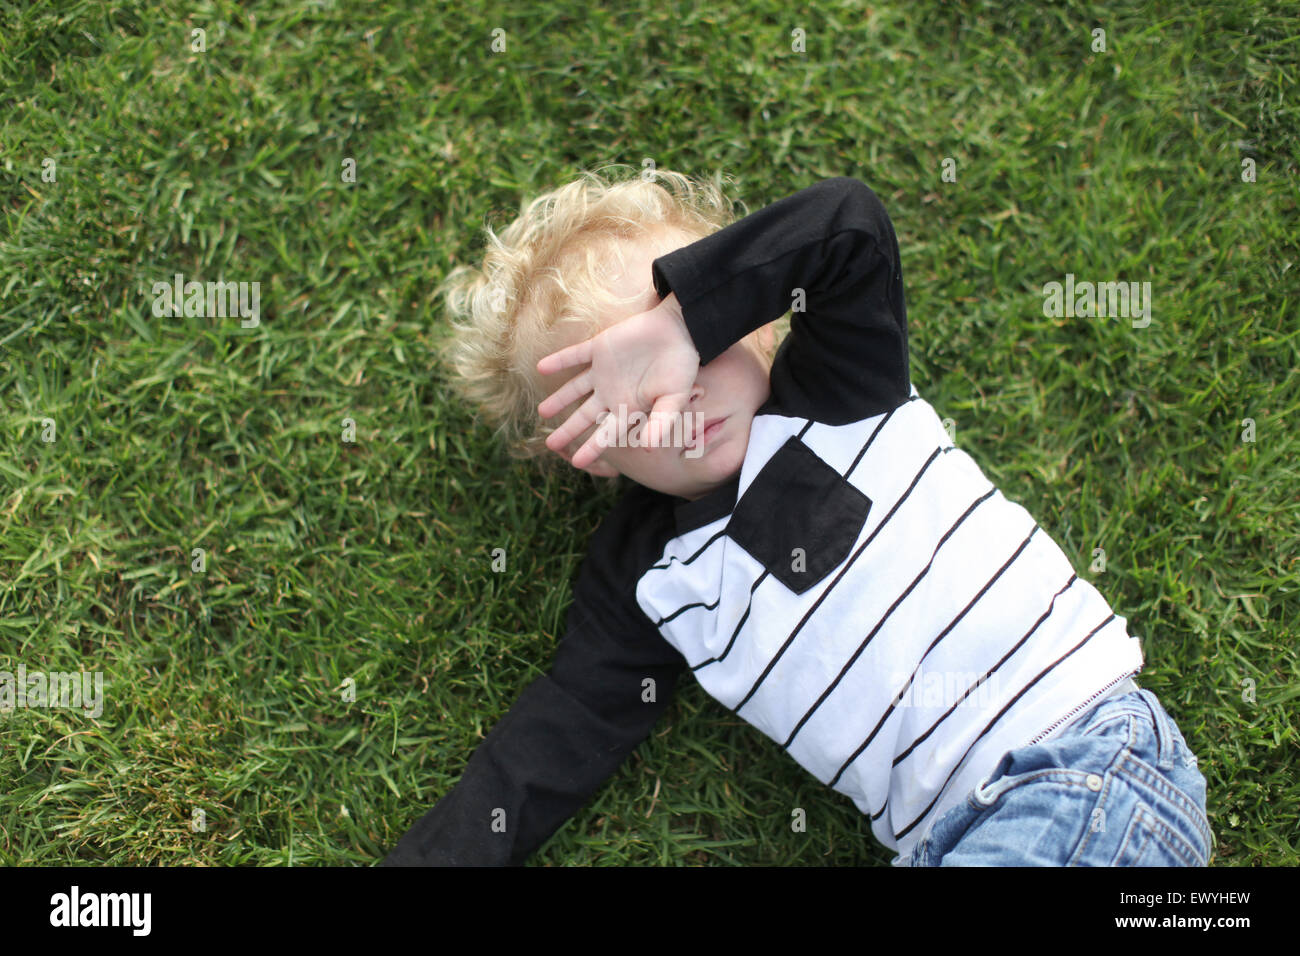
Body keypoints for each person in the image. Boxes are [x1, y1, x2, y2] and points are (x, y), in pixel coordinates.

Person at [381, 171, 1211, 866]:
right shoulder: (648, 574)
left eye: (690, 351)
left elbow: (848, 225)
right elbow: (553, 741)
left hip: (1082, 763)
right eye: (627, 394)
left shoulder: (841, 389)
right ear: (583, 446)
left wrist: (680, 319)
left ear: (756, 319)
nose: (681, 393)